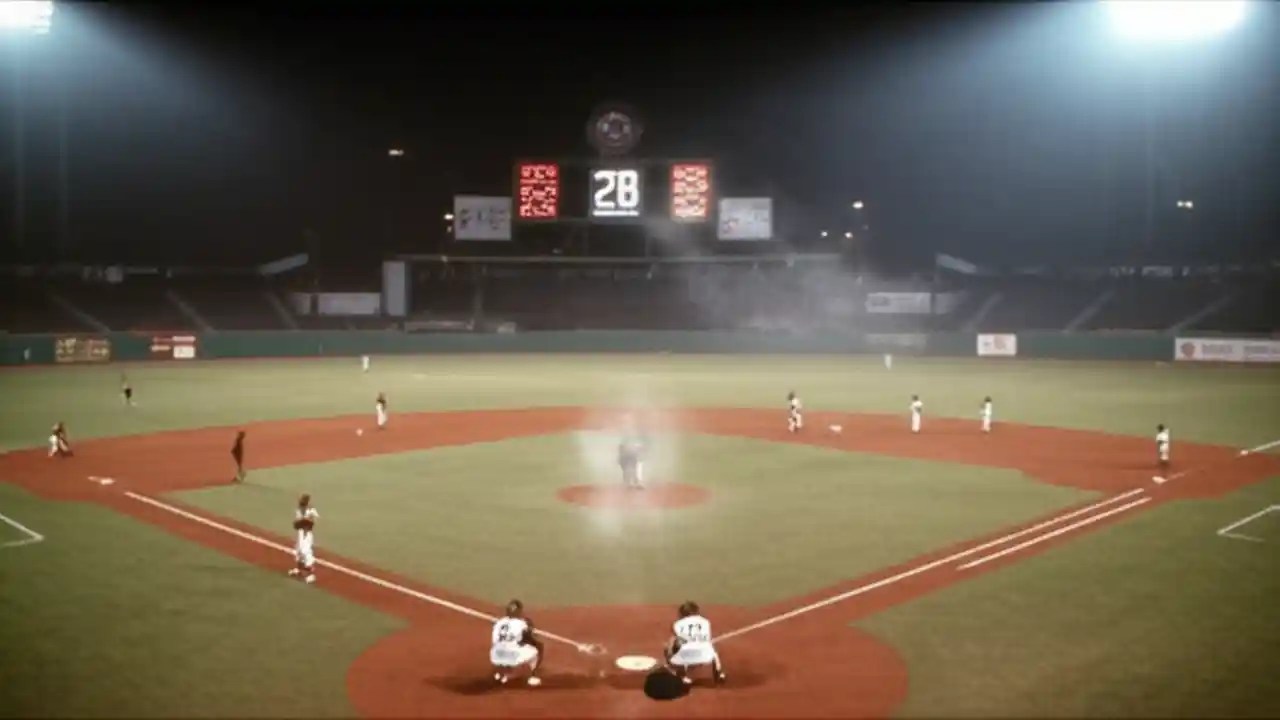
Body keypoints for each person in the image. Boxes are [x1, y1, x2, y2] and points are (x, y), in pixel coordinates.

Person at [663, 601, 725, 686]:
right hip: (706, 656)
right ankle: (720, 673)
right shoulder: (706, 622)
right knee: (710, 646)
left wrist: (670, 656)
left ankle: (683, 676)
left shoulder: (677, 624)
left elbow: (677, 642)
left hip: (685, 657)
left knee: (670, 644)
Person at [490, 599, 544, 687]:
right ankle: (533, 677)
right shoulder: (521, 623)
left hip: (495, 657)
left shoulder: (498, 623)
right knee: (539, 647)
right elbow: (530, 640)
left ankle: (500, 674)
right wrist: (530, 630)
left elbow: (494, 641)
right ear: (519, 611)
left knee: (503, 647)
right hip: (512, 657)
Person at [288, 493, 319, 584]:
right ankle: (299, 570)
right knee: (298, 551)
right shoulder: (299, 509)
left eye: (302, 499)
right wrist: (299, 522)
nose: (300, 501)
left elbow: (313, 521)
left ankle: (311, 575)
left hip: (306, 534)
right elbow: (297, 523)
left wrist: (305, 520)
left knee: (306, 552)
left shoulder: (311, 510)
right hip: (300, 533)